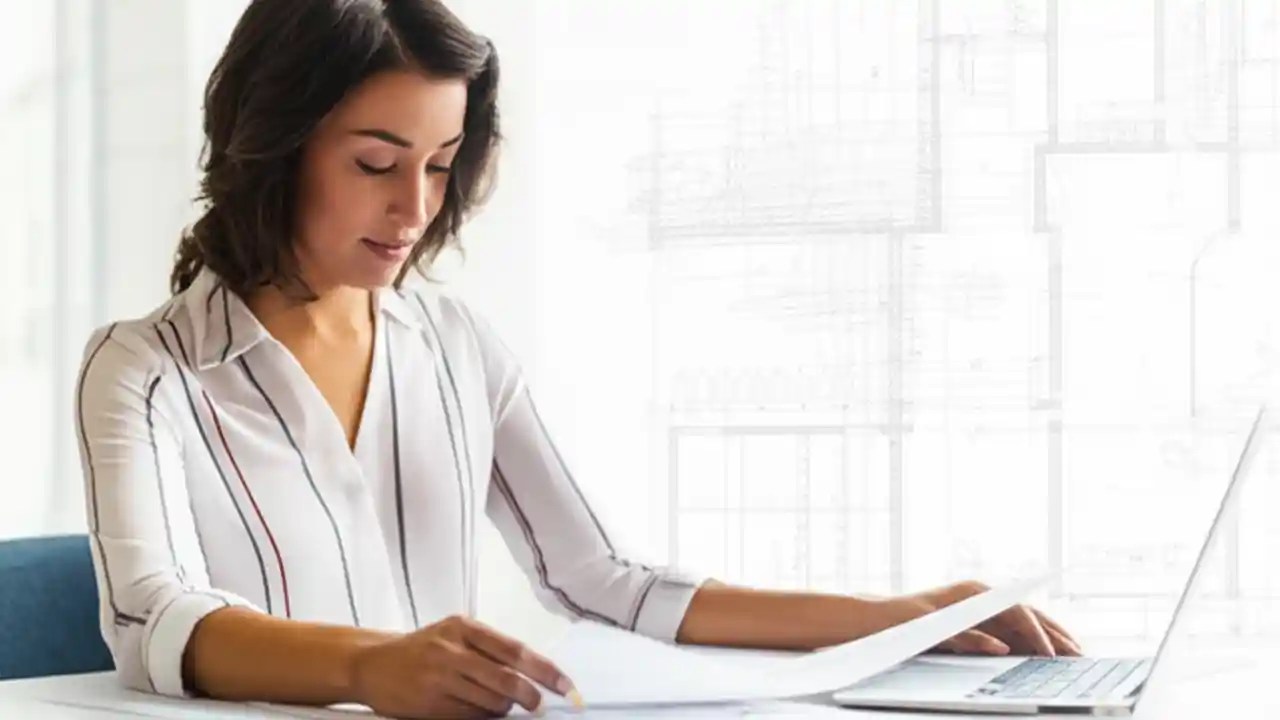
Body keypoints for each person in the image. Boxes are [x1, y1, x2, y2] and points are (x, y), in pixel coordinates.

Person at [74, 1, 1081, 718]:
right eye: (375, 164)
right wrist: (374, 668)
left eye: (439, 164)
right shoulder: (147, 373)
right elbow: (155, 619)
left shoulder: (455, 344)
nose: (415, 209)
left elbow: (604, 579)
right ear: (272, 147)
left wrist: (897, 621)